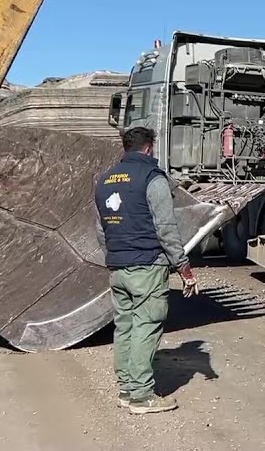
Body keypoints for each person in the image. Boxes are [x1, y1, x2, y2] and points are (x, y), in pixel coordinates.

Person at [94, 125, 199, 414]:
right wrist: (184, 268)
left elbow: (101, 230)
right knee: (146, 327)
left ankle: (127, 390)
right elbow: (166, 228)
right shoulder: (152, 178)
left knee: (125, 326)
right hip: (147, 266)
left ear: (126, 147)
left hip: (118, 266)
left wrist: (116, 256)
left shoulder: (104, 181)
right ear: (150, 147)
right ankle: (141, 397)